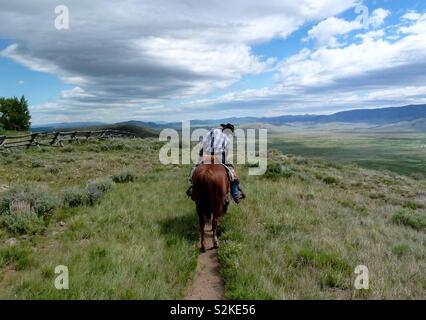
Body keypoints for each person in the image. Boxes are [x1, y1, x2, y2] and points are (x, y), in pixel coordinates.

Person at [186, 123, 246, 203]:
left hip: (206, 155)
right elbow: (226, 152)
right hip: (219, 156)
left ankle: (193, 188)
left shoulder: (213, 131)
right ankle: (235, 194)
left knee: (195, 169)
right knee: (232, 172)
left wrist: (201, 153)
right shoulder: (227, 139)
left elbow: (204, 142)